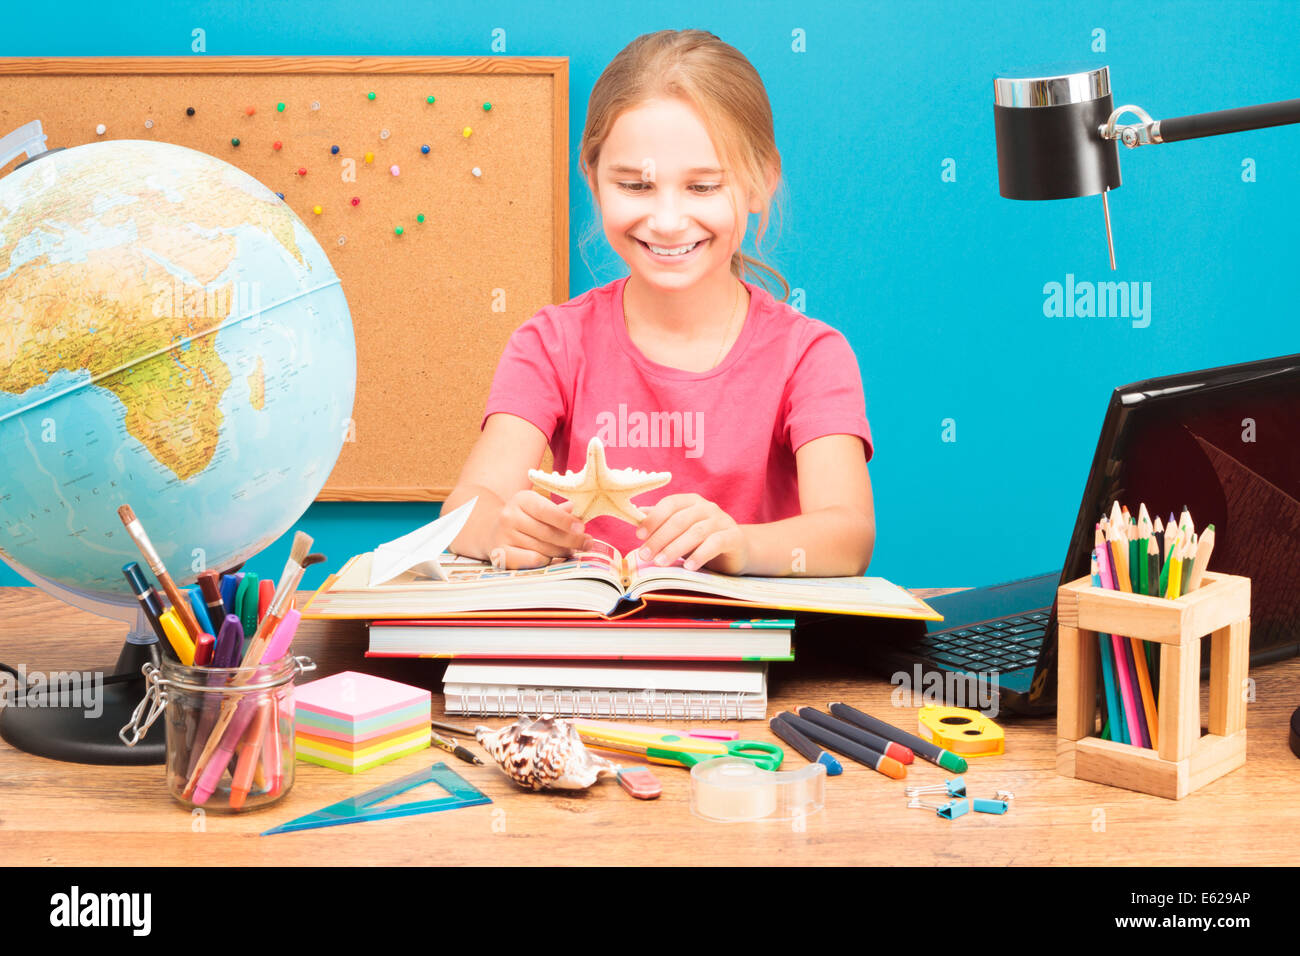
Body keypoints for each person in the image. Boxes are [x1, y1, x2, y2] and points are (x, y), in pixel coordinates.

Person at [445, 28, 874, 577]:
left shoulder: (810, 354)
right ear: (594, 181)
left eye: (703, 187)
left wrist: (737, 544)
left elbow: (849, 534)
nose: (668, 222)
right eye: (636, 186)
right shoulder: (551, 343)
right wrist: (501, 527)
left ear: (759, 184)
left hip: (758, 652)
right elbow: (466, 505)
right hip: (582, 648)